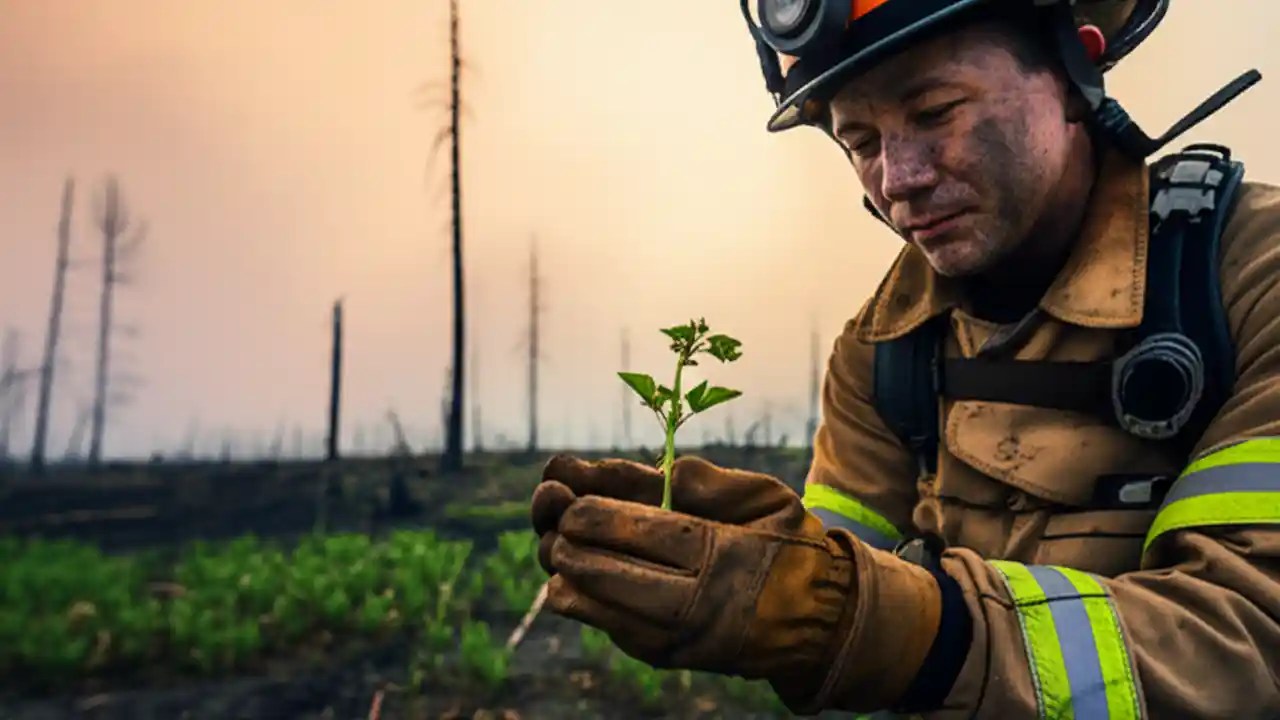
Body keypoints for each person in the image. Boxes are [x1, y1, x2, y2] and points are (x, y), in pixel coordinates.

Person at [529, 0, 1280, 717]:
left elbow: (1248, 642)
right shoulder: (883, 353)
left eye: (935, 112)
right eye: (860, 141)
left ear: (1073, 72)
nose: (899, 179)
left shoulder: (1250, 281)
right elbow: (840, 577)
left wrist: (912, 632)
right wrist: (755, 566)